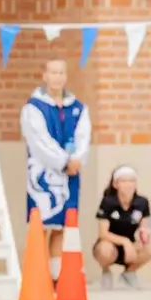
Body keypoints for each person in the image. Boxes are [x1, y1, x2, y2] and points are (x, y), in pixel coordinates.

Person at [21, 59, 90, 283]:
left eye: (61, 72)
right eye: (53, 72)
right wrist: (62, 161)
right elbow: (39, 141)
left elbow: (83, 137)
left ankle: (55, 276)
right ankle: (36, 276)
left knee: (62, 226)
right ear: (45, 75)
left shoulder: (78, 108)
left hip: (69, 175)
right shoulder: (34, 107)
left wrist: (77, 159)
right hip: (42, 175)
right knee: (40, 224)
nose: (57, 76)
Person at [93, 166, 151, 289]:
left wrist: (143, 237)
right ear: (115, 184)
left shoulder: (142, 202)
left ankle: (129, 273)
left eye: (131, 181)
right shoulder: (108, 202)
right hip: (110, 243)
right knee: (104, 249)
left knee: (150, 246)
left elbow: (146, 226)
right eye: (124, 181)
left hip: (131, 243)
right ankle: (106, 271)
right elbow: (103, 233)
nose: (128, 185)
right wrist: (125, 242)